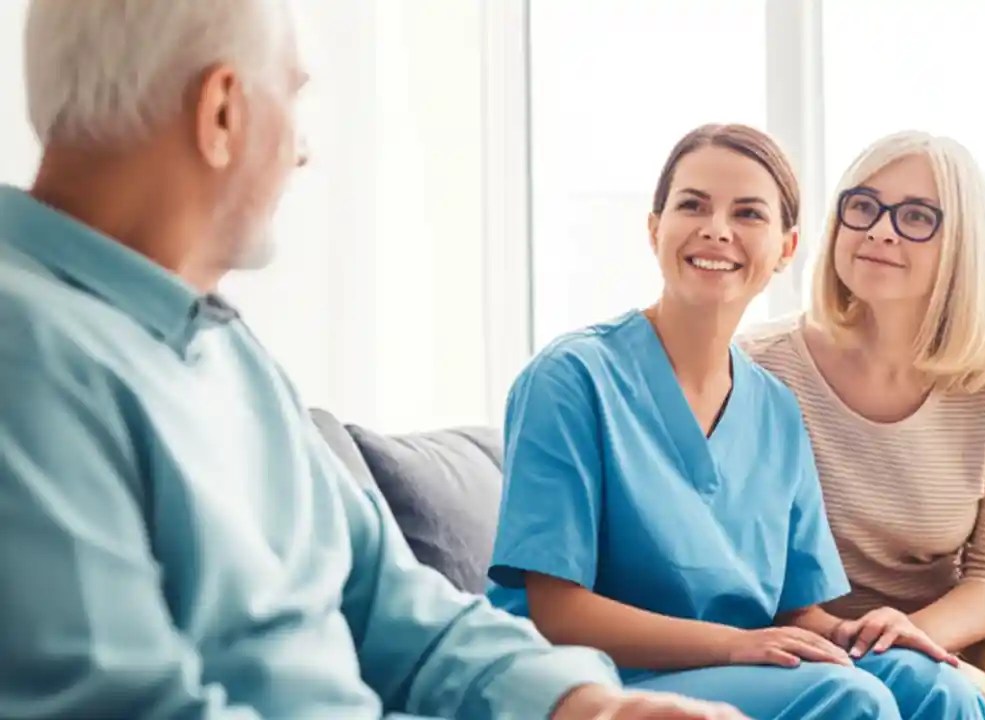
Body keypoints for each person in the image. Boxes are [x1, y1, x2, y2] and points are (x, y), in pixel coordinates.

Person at [0, 2, 744, 718]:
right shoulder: (27, 356)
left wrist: (584, 706)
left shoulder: (227, 351)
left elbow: (400, 609)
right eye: (292, 97)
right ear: (222, 111)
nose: (302, 150)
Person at [485, 123, 985, 720]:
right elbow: (558, 612)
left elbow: (797, 613)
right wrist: (737, 645)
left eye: (748, 214)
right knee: (847, 697)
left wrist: (870, 634)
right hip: (601, 673)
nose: (716, 229)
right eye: (692, 205)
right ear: (655, 229)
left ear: (786, 248)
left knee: (936, 687)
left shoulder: (775, 409)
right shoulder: (571, 378)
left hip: (744, 665)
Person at [741, 130, 985, 720]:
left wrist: (914, 630)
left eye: (917, 216)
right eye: (863, 206)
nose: (881, 230)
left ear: (961, 246)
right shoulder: (762, 364)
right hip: (811, 622)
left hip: (952, 614)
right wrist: (880, 642)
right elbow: (748, 558)